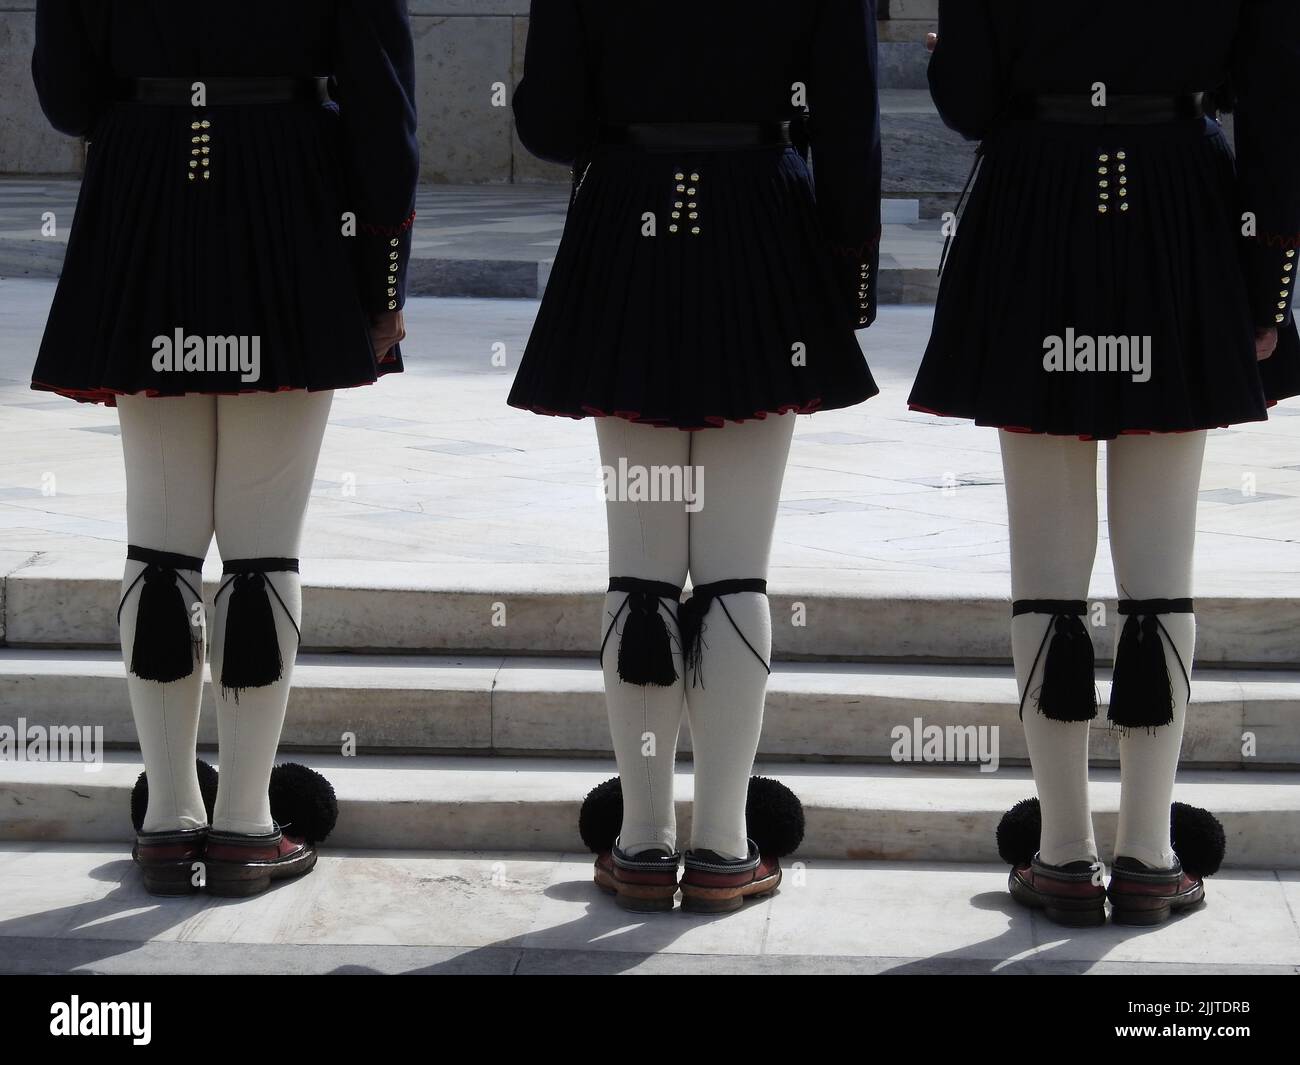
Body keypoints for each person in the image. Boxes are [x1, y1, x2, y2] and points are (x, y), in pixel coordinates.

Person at [910, 1, 1300, 925]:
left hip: (1035, 209)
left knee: (1048, 577)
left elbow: (966, 99)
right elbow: (1279, 103)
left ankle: (1063, 853)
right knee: (1160, 576)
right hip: (1180, 213)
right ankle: (1149, 852)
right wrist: (1268, 280)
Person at [29, 0, 418, 896]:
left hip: (147, 186)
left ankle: (169, 818)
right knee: (261, 544)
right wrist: (381, 280)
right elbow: (380, 111)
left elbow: (65, 93)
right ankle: (245, 821)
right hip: (288, 195)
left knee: (159, 540)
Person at [509, 0, 881, 912]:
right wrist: (848, 272)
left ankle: (641, 841)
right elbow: (848, 114)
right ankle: (722, 843)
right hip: (765, 226)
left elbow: (550, 124)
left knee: (639, 569)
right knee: (733, 570)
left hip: (627, 221)